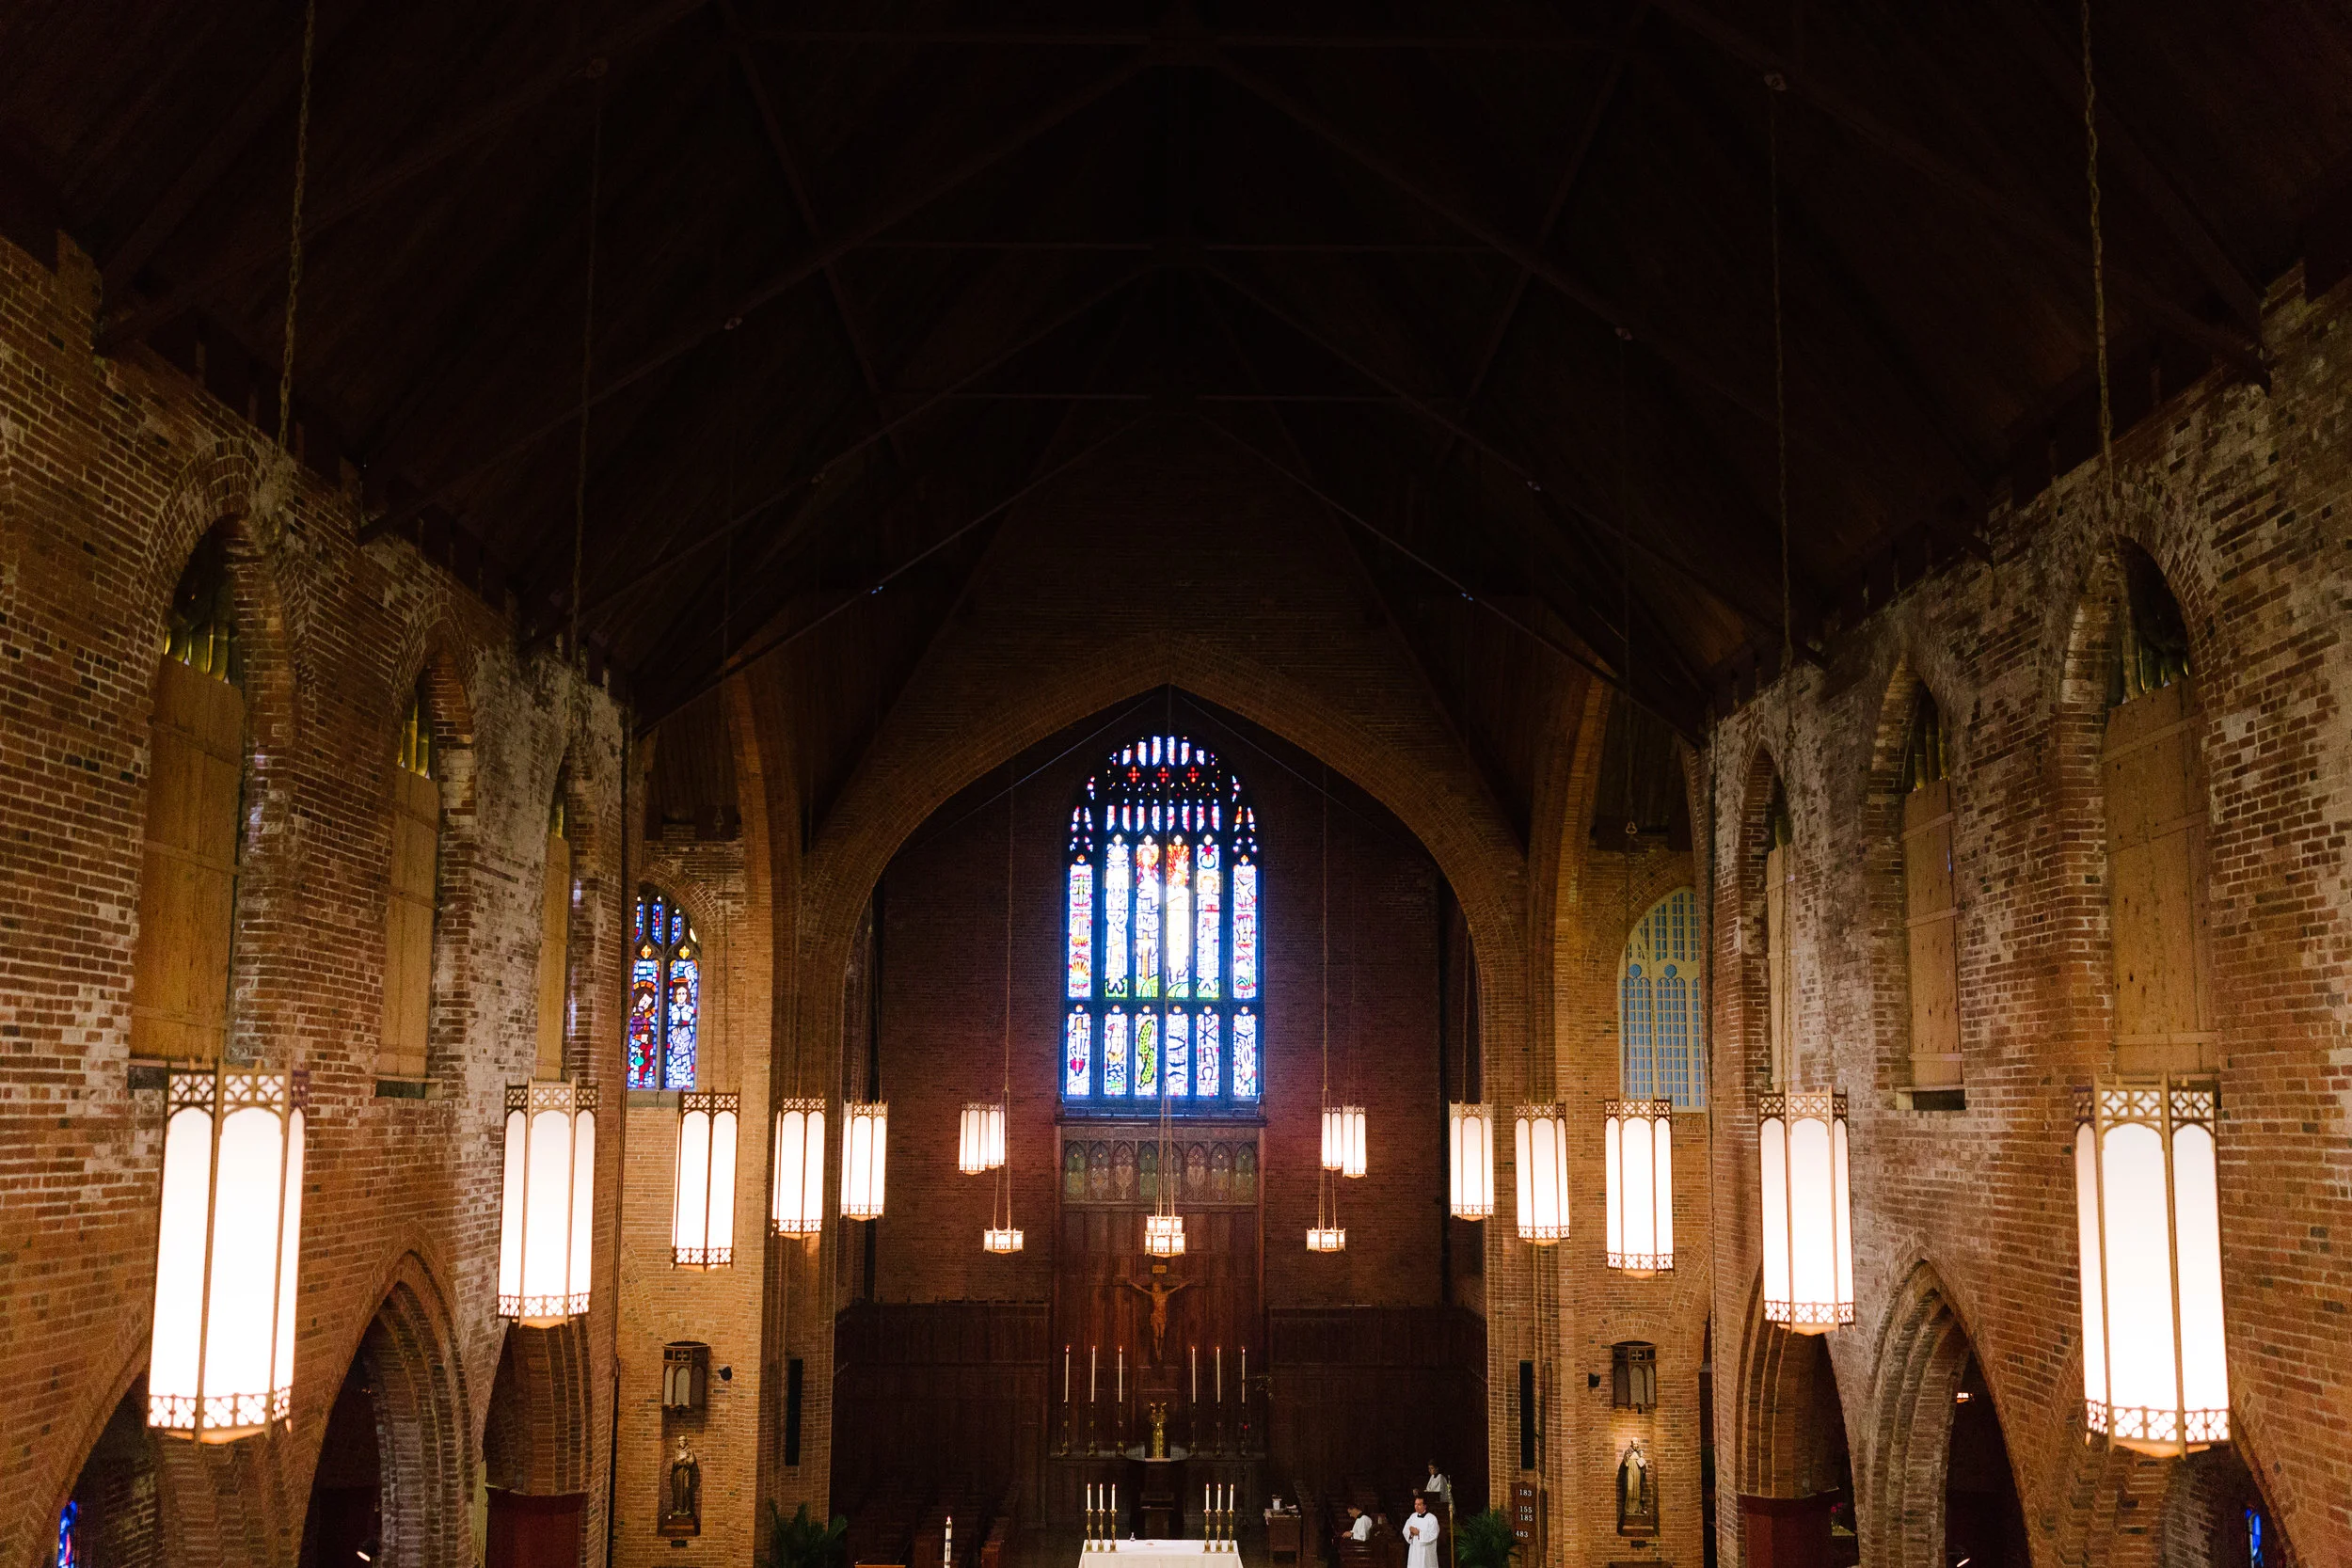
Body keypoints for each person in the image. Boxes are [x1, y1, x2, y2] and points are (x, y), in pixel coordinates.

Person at [1402, 1497, 1439, 1568]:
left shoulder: (1432, 1519)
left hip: (1426, 1552)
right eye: (1415, 1504)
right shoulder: (1413, 1516)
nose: (1416, 1506)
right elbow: (1405, 1530)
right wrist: (1410, 1533)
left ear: (1425, 1506)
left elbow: (1434, 1535)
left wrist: (1419, 1533)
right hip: (1414, 1551)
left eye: (1419, 1504)